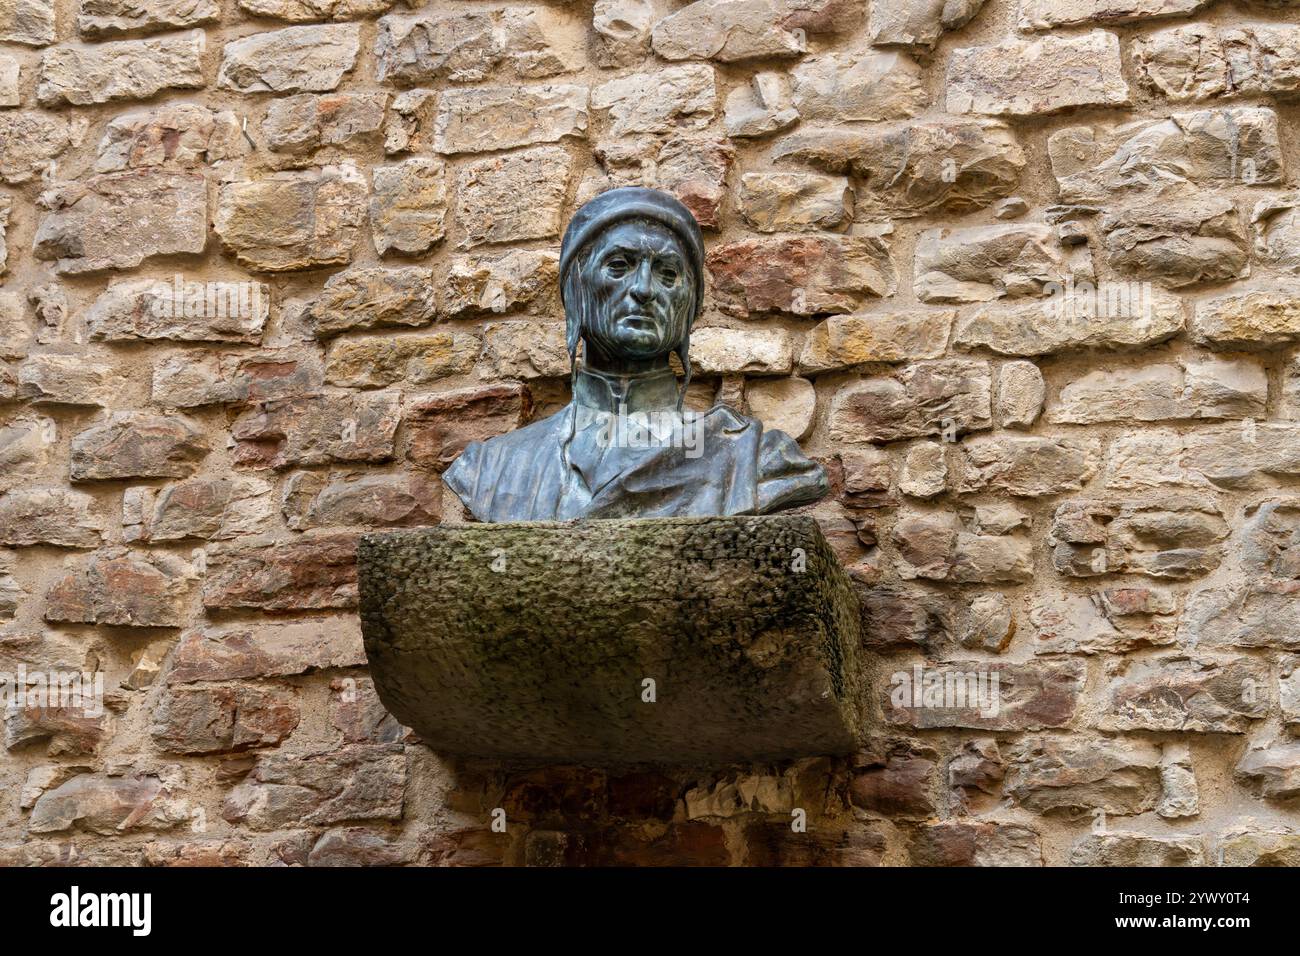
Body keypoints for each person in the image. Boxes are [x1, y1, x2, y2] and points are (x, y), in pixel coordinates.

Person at [443, 186, 829, 521]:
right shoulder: (495, 469)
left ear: (689, 305)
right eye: (618, 266)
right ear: (576, 290)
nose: (644, 289)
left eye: (667, 274)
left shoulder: (753, 458)